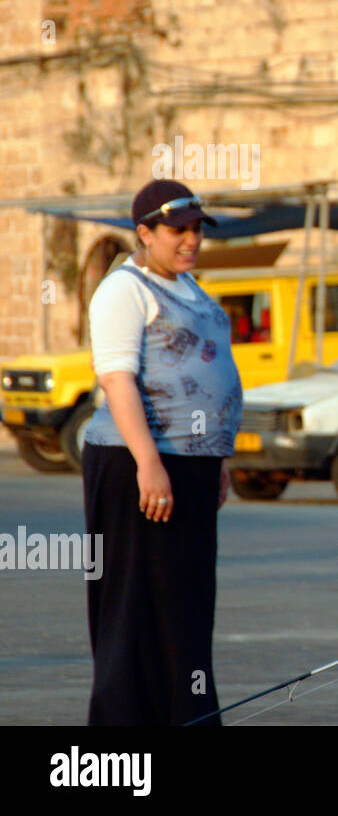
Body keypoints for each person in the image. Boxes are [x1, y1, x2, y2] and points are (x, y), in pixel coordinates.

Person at [81, 178, 240, 726]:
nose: (191, 241)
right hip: (138, 466)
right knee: (135, 606)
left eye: (197, 230)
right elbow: (117, 379)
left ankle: (187, 717)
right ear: (144, 233)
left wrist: (218, 459)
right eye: (178, 231)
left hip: (191, 469)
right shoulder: (125, 290)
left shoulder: (193, 288)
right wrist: (150, 463)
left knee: (186, 607)